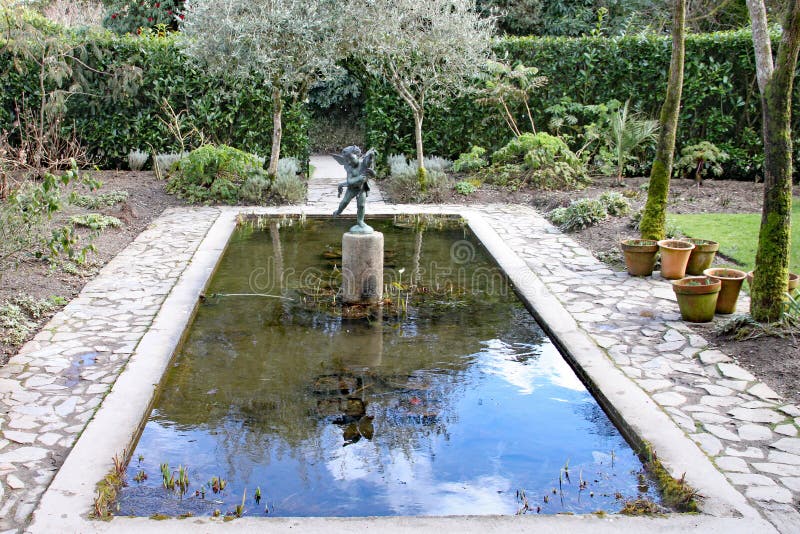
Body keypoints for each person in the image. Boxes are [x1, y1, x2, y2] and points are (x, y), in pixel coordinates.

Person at [332, 146, 377, 233]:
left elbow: (372, 173)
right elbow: (349, 181)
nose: (349, 162)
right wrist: (359, 178)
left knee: (361, 205)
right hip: (352, 189)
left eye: (351, 158)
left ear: (358, 156)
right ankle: (338, 211)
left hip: (361, 188)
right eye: (347, 160)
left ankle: (360, 221)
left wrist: (371, 158)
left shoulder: (363, 164)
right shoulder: (350, 168)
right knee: (344, 202)